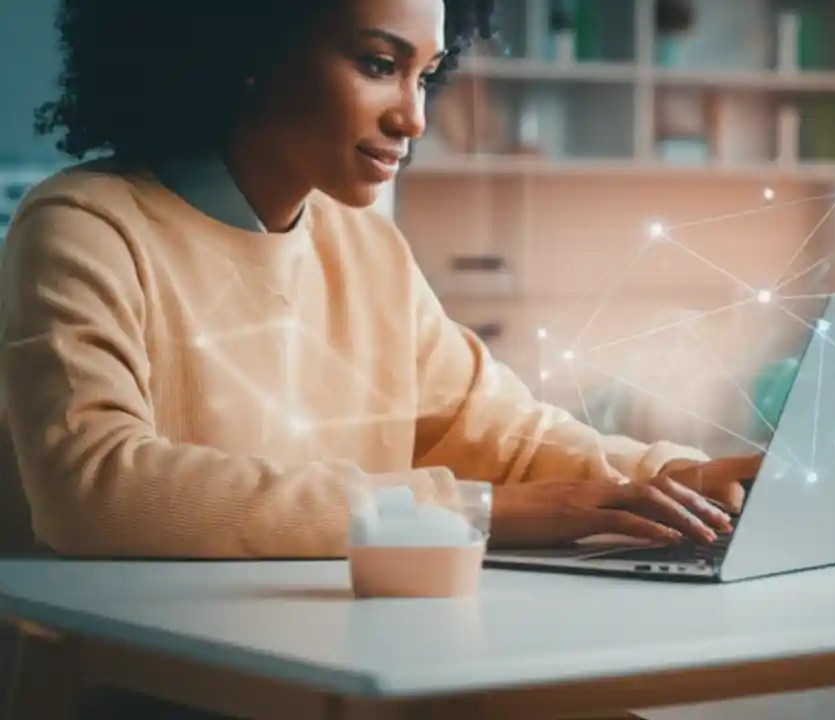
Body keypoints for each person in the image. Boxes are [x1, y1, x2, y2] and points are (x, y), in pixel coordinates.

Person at [0, 0, 762, 561]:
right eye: (378, 66)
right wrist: (480, 513)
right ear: (252, 46)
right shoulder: (86, 225)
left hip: (352, 653)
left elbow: (503, 435)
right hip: (152, 683)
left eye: (425, 75)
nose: (414, 119)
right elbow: (96, 491)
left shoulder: (366, 247)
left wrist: (680, 478)